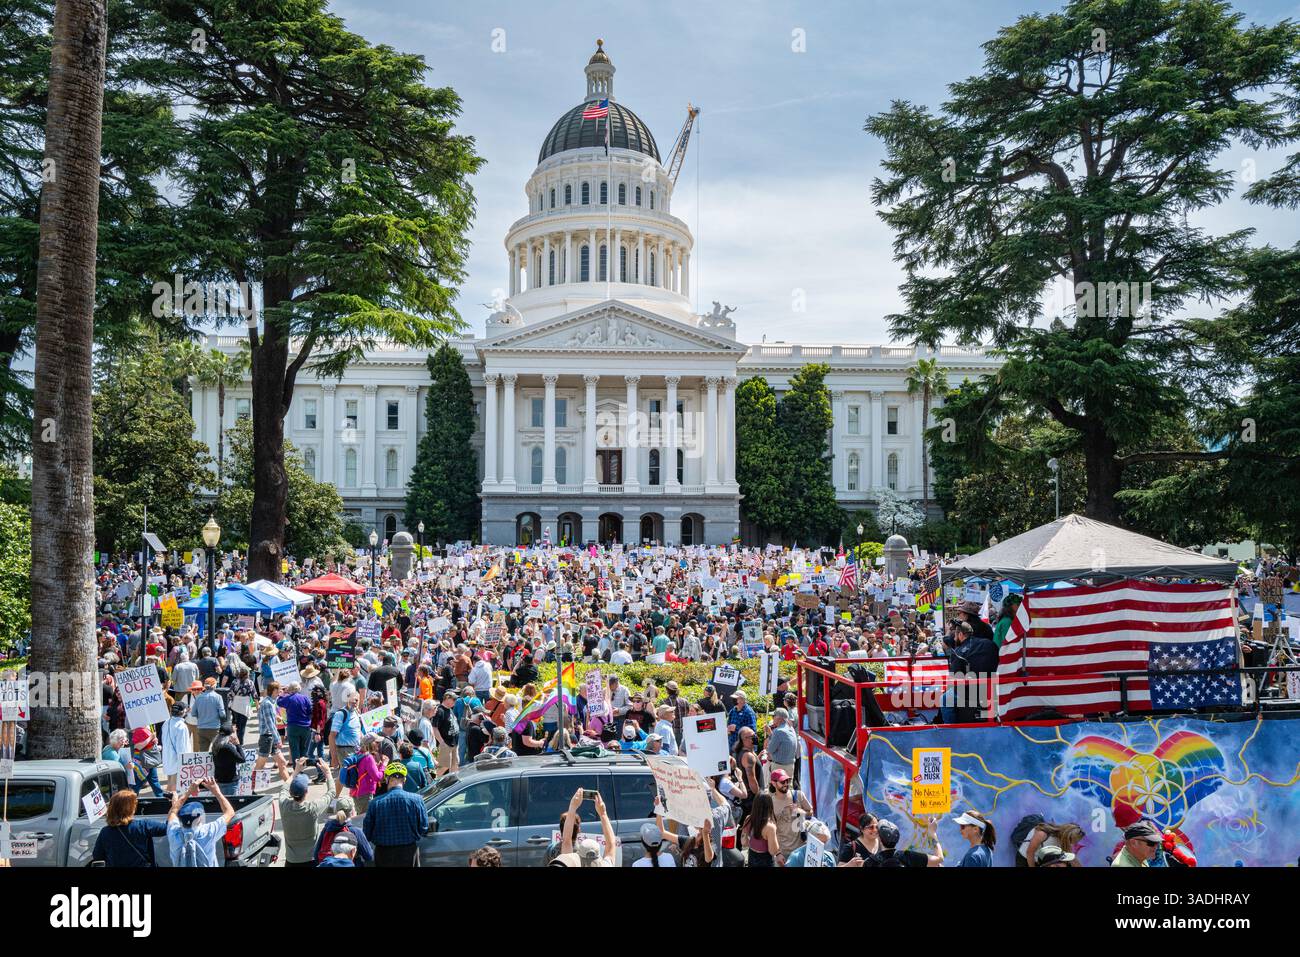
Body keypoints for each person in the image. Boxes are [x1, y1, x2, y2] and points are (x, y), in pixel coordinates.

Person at [362, 763, 429, 867]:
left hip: (383, 853)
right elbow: (424, 827)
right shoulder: (417, 800)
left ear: (387, 779)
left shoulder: (375, 803)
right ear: (404, 780)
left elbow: (367, 833)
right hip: (409, 852)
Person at [280, 757, 338, 867]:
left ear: (291, 793)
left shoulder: (284, 805)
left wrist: (295, 771)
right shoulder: (313, 808)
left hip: (291, 861)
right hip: (311, 860)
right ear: (306, 792)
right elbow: (331, 793)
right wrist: (328, 773)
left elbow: (284, 788)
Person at [166, 780, 235, 867]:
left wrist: (187, 792)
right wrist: (217, 792)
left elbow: (173, 812)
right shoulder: (208, 831)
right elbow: (230, 812)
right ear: (199, 818)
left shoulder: (173, 832)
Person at [91, 790, 168, 867]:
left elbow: (97, 856)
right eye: (134, 805)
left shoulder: (105, 832)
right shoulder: (143, 826)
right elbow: (169, 828)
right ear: (131, 809)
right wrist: (174, 808)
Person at [550, 787, 617, 868]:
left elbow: (566, 840)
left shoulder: (570, 864)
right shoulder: (606, 865)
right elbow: (611, 844)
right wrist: (603, 813)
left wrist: (573, 806)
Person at [312, 795, 375, 867]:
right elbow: (369, 856)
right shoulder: (355, 831)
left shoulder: (327, 828)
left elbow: (316, 854)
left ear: (336, 812)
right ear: (352, 812)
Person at [768, 769, 813, 864]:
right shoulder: (770, 803)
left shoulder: (798, 795)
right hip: (783, 852)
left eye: (787, 781)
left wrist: (801, 812)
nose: (786, 784)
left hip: (801, 849)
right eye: (782, 782)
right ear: (774, 783)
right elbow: (771, 831)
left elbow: (811, 812)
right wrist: (777, 853)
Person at [1018, 820, 1085, 867]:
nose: (1072, 844)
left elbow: (1072, 858)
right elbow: (1029, 853)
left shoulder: (1064, 841)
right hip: (1025, 859)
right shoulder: (1042, 834)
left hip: (1040, 861)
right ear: (1067, 836)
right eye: (1072, 841)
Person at [742, 792, 779, 867]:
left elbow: (744, 843)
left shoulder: (748, 819)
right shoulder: (770, 827)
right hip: (765, 860)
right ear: (769, 806)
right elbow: (773, 851)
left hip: (751, 856)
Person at [209, 722, 246, 796]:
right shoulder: (227, 747)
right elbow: (242, 759)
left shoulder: (215, 745)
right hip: (230, 781)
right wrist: (237, 744)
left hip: (219, 779)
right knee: (231, 804)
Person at [763, 709, 799, 785]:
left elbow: (770, 749)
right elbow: (781, 741)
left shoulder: (778, 731)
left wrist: (770, 736)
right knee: (787, 790)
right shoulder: (790, 728)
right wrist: (770, 734)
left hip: (779, 766)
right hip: (790, 765)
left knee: (775, 791)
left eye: (774, 716)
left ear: (779, 718)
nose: (772, 718)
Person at [192, 677, 227, 752]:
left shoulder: (198, 698)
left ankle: (205, 764)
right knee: (217, 751)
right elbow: (222, 714)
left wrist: (201, 716)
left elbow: (193, 713)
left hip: (201, 728)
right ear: (214, 686)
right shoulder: (218, 697)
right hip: (214, 728)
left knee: (203, 752)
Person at [432, 689, 461, 776]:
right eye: (453, 699)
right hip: (446, 744)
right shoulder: (440, 711)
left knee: (455, 764)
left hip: (454, 743)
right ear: (447, 698)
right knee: (444, 766)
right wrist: (442, 742)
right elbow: (434, 728)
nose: (455, 701)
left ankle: (453, 784)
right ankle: (433, 783)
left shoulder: (449, 709)